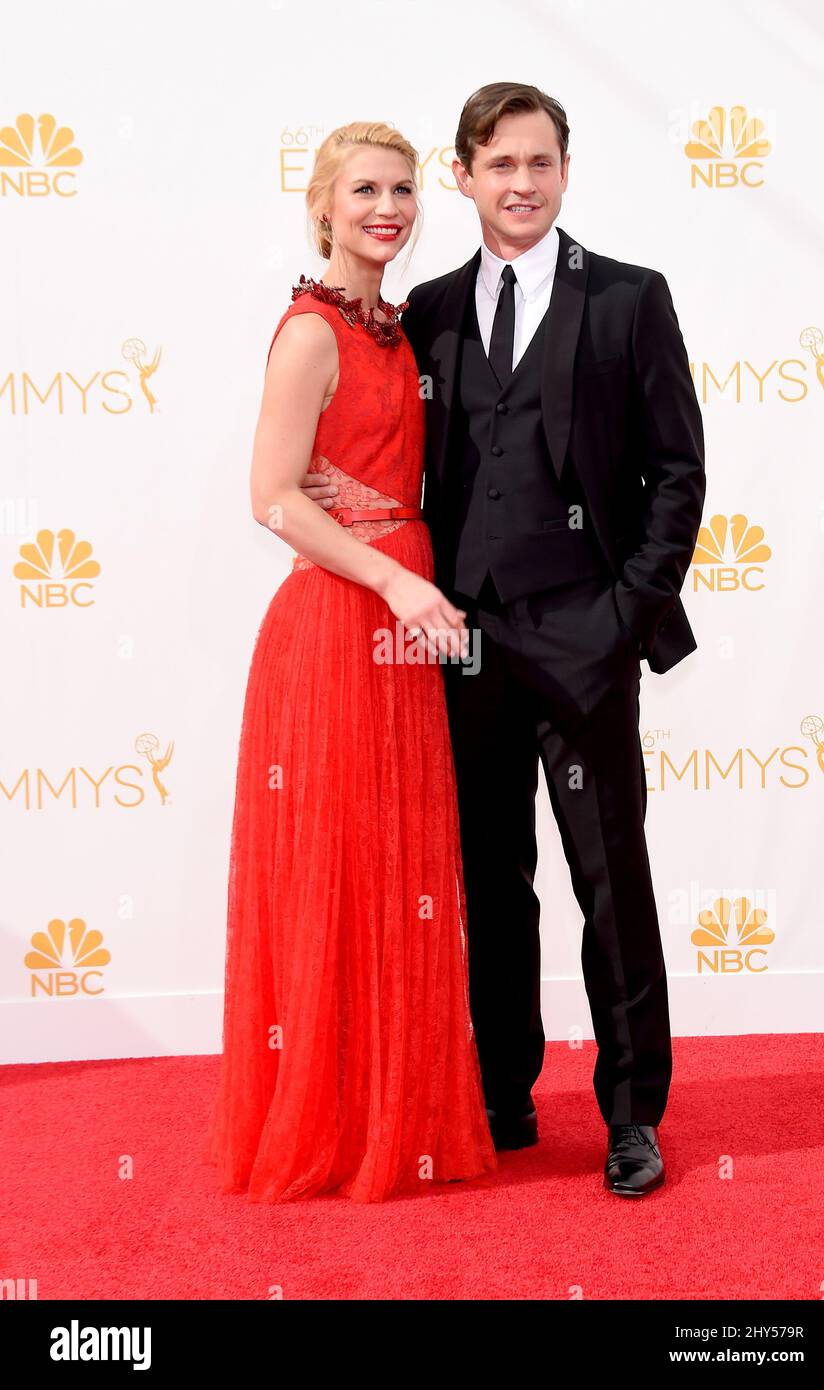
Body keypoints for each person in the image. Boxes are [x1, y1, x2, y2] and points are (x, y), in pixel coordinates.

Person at [302, 84, 706, 1197]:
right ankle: (501, 1092)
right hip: (462, 644)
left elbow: (676, 475)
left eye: (539, 163)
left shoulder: (627, 299)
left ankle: (630, 1114)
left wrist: (620, 617)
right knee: (487, 879)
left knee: (606, 881)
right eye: (498, 165)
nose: (519, 184)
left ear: (563, 172)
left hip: (583, 640)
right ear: (466, 176)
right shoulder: (423, 309)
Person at [201, 121, 497, 1203]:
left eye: (402, 190)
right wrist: (395, 583)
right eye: (364, 190)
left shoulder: (398, 327)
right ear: (321, 205)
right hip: (338, 625)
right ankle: (332, 1117)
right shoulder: (310, 332)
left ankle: (397, 1107)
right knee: (336, 869)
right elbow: (271, 497)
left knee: (398, 871)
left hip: (400, 627)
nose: (387, 207)